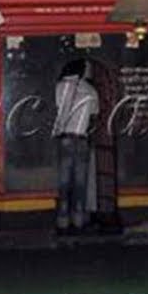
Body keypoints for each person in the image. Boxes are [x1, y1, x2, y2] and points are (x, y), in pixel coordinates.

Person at [53, 59, 99, 235]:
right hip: (81, 138)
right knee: (80, 182)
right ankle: (78, 219)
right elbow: (94, 117)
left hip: (65, 137)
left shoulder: (60, 86)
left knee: (64, 181)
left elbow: (58, 110)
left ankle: (62, 219)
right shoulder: (90, 90)